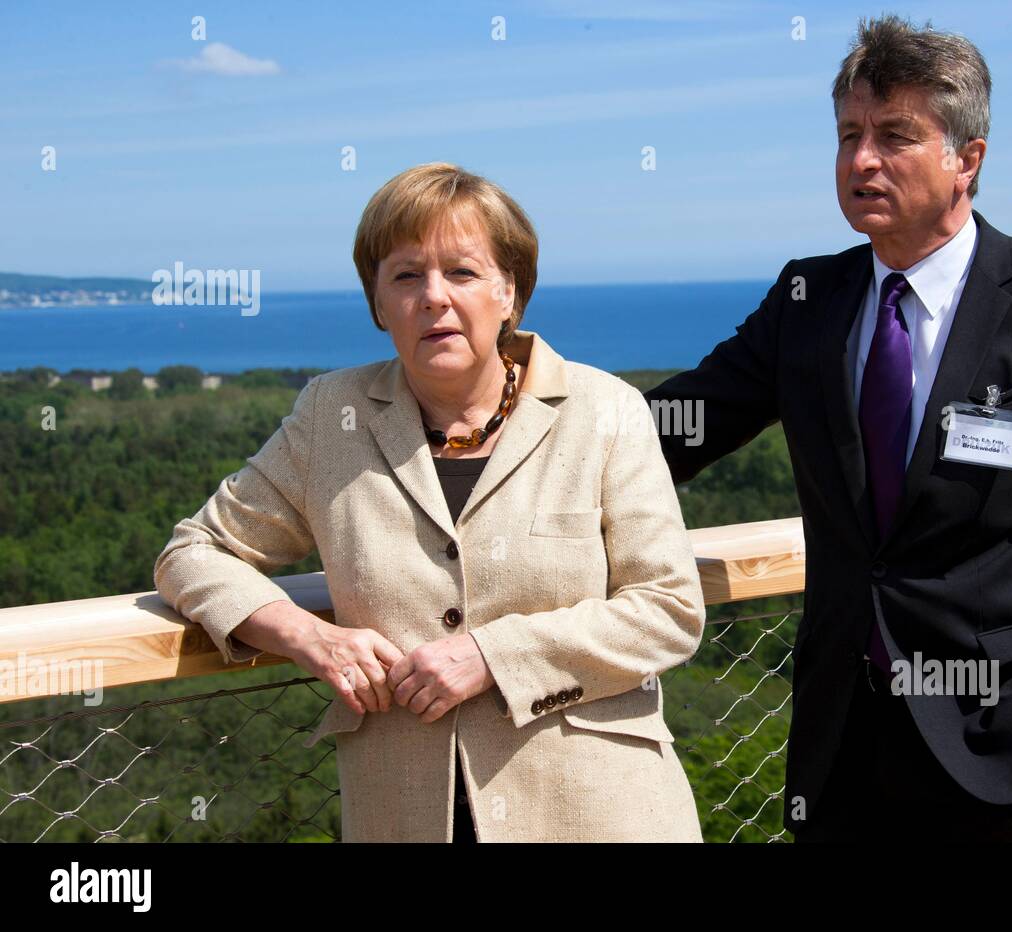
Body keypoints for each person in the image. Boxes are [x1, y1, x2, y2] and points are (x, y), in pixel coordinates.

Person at [644, 15, 1012, 842]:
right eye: (849, 134)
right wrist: (510, 417)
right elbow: (674, 428)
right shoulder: (808, 300)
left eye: (895, 135)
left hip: (1005, 756)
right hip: (839, 750)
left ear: (967, 159)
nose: (862, 160)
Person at [155, 162, 705, 842]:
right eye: (406, 275)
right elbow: (194, 553)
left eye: (462, 273)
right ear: (379, 303)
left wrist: (493, 657)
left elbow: (669, 610)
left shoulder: (606, 410)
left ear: (509, 291)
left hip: (599, 811)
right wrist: (309, 637)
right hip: (405, 814)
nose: (433, 297)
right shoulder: (333, 415)